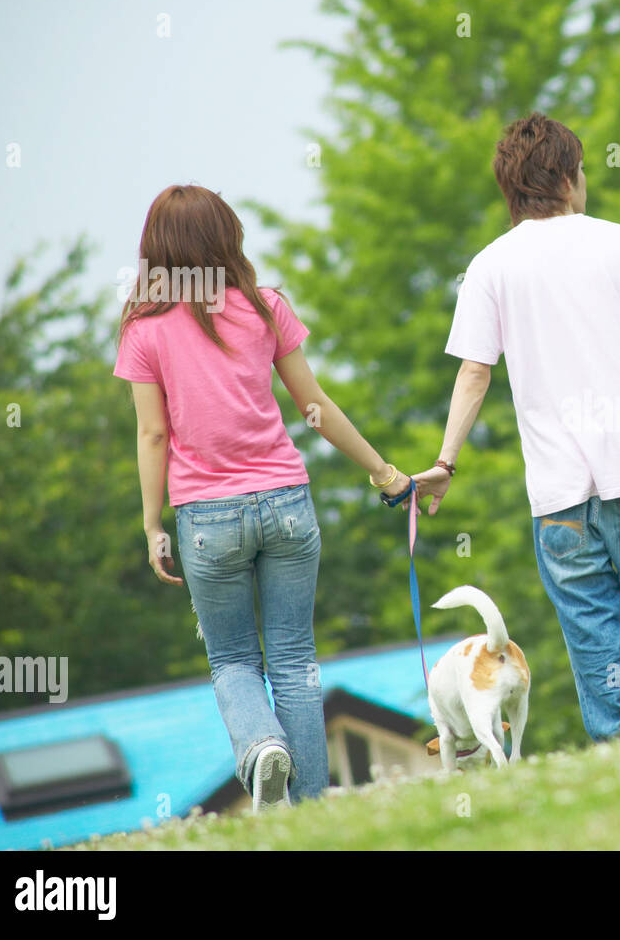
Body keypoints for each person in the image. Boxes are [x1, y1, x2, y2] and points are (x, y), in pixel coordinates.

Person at [410, 112, 620, 741]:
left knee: (591, 621)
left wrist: (445, 464)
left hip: (558, 494)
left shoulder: (489, 266)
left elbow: (474, 374)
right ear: (571, 178)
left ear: (511, 192)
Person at [114, 184, 412, 810]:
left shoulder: (145, 331)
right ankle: (310, 806)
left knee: (231, 661)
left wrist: (152, 526)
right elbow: (315, 407)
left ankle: (259, 747)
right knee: (296, 661)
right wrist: (386, 474)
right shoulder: (265, 305)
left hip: (206, 517)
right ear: (227, 237)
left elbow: (152, 433)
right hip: (286, 503)